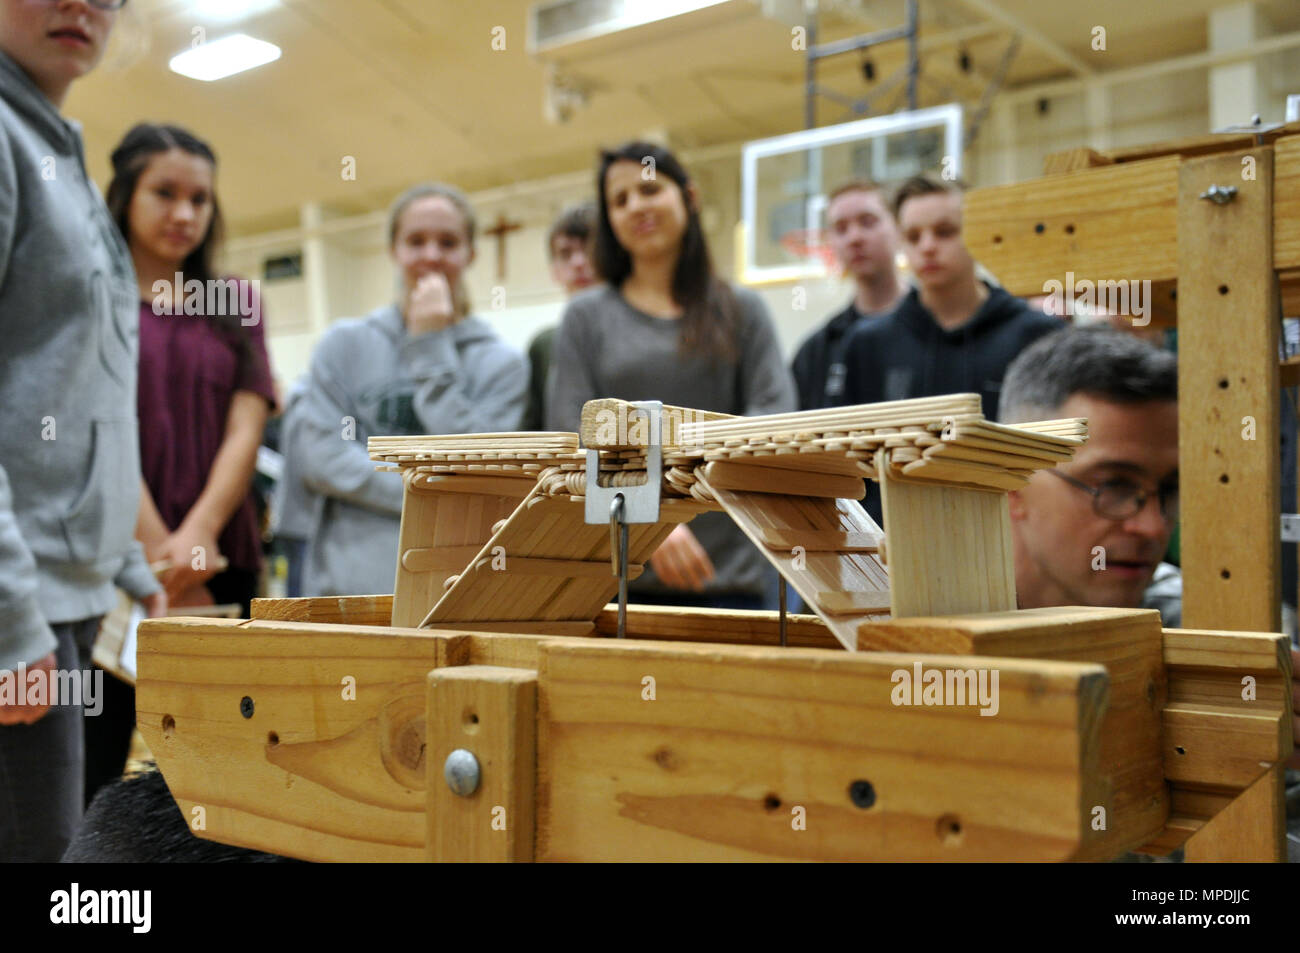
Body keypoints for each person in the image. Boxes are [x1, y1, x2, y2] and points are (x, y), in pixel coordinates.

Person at [999, 325, 1300, 859]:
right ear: (1011, 481)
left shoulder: (1216, 635)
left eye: (1168, 490)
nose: (1154, 527)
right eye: (1114, 485)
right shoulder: (908, 640)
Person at [0, 0, 164, 861]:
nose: (80, 5)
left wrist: (123, 557)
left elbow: (82, 386)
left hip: (67, 594)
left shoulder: (57, 146)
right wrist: (7, 622)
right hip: (19, 605)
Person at [547, 141, 796, 609]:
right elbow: (573, 435)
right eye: (619, 201)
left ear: (690, 197)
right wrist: (647, 521)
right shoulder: (585, 318)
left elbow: (773, 418)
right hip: (621, 581)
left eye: (649, 189)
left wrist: (678, 503)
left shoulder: (743, 309)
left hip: (735, 577)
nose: (636, 206)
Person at [288, 182, 527, 597]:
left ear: (470, 254)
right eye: (416, 241)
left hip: (457, 588)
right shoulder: (343, 344)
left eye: (448, 242)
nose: (431, 255)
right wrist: (437, 491)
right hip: (348, 591)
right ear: (393, 250)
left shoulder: (502, 364)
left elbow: (479, 469)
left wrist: (429, 345)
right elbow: (323, 459)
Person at [109, 123, 277, 619]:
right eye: (164, 193)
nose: (184, 214)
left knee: (234, 696)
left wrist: (201, 532)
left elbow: (246, 430)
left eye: (199, 199)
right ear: (125, 197)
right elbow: (99, 425)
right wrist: (159, 548)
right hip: (119, 553)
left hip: (223, 551)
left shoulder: (237, 301)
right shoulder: (93, 302)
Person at [841, 173, 1061, 524]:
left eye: (945, 231)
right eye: (913, 236)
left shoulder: (1038, 336)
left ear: (976, 235)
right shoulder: (867, 344)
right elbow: (845, 462)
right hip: (892, 550)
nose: (927, 246)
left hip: (1008, 545)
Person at [791, 179, 904, 410]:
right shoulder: (816, 352)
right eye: (841, 228)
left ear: (898, 227)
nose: (854, 238)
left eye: (868, 222)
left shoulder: (937, 329)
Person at [522, 201, 598, 431]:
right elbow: (531, 432)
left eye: (589, 249)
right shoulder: (543, 346)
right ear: (554, 269)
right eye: (565, 253)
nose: (578, 262)